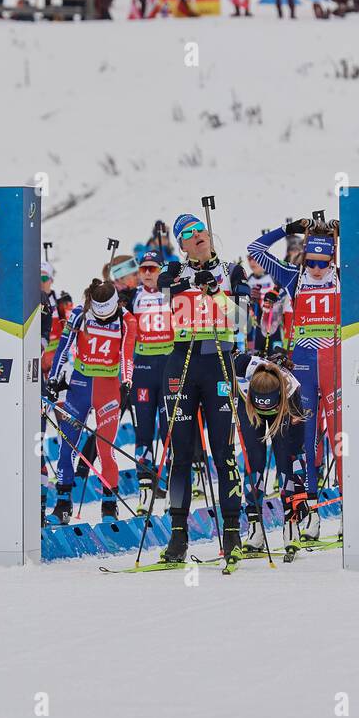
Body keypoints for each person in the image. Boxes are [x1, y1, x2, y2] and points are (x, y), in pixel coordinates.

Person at [156, 213, 247, 569]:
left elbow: (241, 320)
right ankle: (178, 537)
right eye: (188, 234)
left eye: (200, 230)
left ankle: (233, 534)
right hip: (182, 361)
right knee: (181, 455)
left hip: (217, 358)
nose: (197, 236)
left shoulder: (232, 270)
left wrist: (216, 293)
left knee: (224, 453)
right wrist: (192, 280)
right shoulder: (174, 271)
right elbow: (169, 290)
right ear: (182, 244)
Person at [248, 219, 342, 538]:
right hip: (303, 372)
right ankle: (311, 515)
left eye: (323, 262)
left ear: (332, 258)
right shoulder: (294, 278)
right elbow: (255, 250)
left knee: (340, 443)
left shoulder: (343, 277)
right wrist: (288, 229)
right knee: (307, 444)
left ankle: (349, 517)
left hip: (335, 368)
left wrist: (351, 231)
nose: (317, 268)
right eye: (311, 261)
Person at [46, 278, 135, 523]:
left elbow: (127, 355)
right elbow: (63, 348)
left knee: (105, 448)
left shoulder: (126, 320)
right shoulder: (79, 314)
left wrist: (127, 382)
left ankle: (109, 504)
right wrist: (53, 379)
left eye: (107, 317)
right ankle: (63, 503)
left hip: (108, 390)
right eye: (100, 317)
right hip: (80, 387)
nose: (104, 320)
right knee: (67, 445)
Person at [235, 351, 306, 552]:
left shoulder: (291, 390)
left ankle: (291, 524)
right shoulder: (240, 371)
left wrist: (299, 497)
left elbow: (298, 454)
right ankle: (254, 527)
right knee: (254, 460)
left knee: (287, 459)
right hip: (248, 405)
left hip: (283, 410)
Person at [129, 251, 172, 498]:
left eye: (152, 269)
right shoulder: (134, 297)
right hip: (143, 370)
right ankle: (145, 485)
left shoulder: (171, 295)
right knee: (144, 429)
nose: (147, 273)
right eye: (143, 268)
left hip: (168, 368)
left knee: (169, 429)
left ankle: (170, 478)